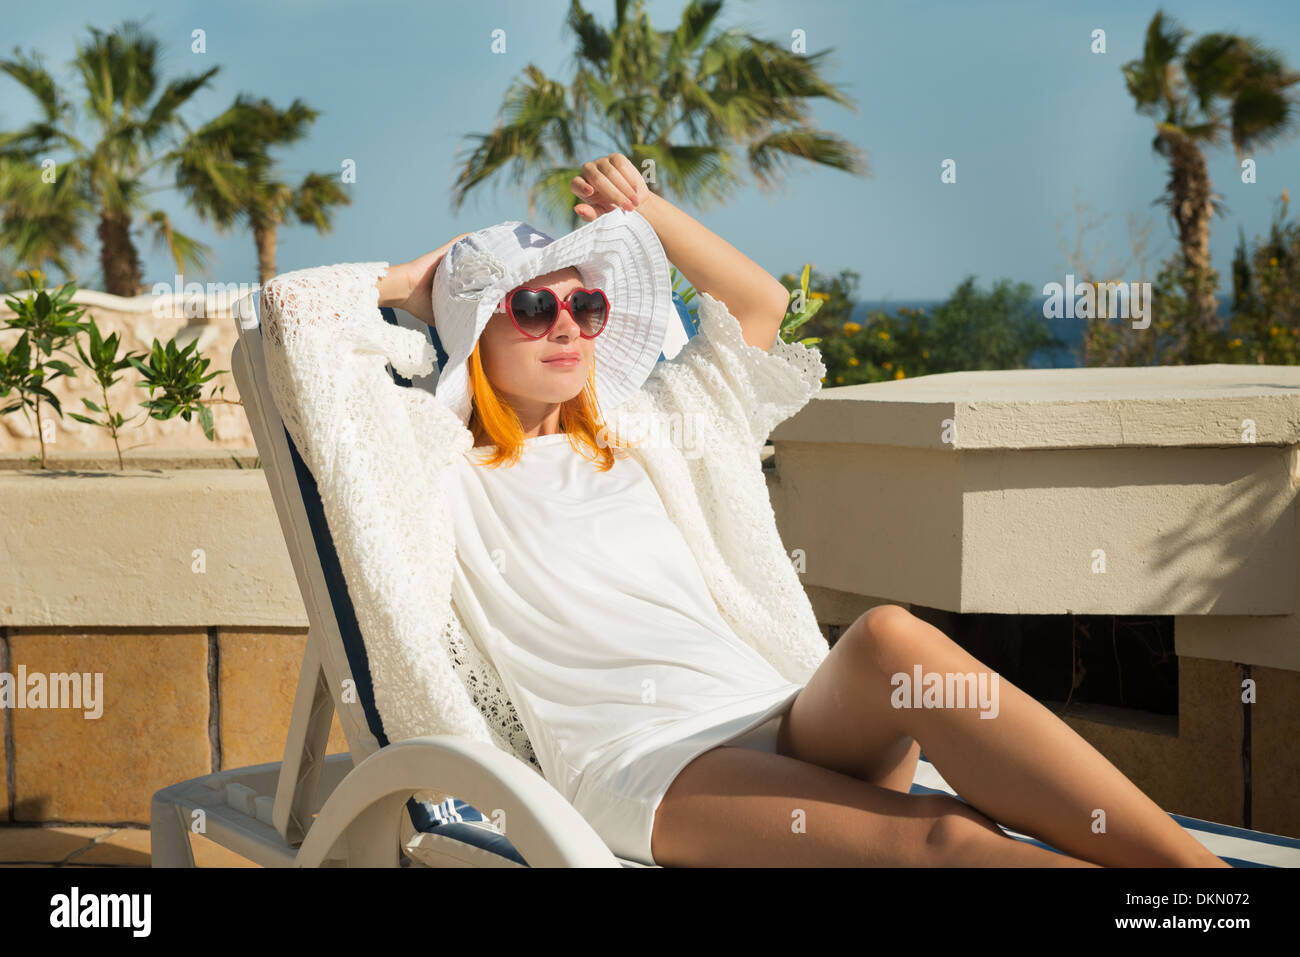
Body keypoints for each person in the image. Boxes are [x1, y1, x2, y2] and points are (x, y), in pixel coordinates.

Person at [270, 153, 1228, 868]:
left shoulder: (656, 432)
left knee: (892, 637)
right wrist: (416, 282)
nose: (567, 325)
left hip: (776, 714)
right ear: (477, 331)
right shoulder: (428, 465)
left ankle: (1204, 887)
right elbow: (290, 323)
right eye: (531, 307)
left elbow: (758, 306)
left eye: (586, 305)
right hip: (647, 767)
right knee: (945, 835)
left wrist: (646, 209)